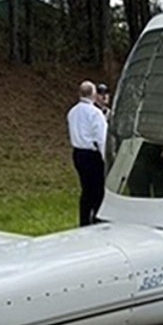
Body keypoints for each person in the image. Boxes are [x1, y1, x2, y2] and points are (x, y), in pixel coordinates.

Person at [67, 80, 109, 226]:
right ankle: (97, 219)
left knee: (86, 189)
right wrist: (106, 158)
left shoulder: (72, 112)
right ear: (93, 94)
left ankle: (84, 220)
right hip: (92, 154)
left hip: (78, 153)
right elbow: (101, 138)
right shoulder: (95, 113)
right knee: (98, 189)